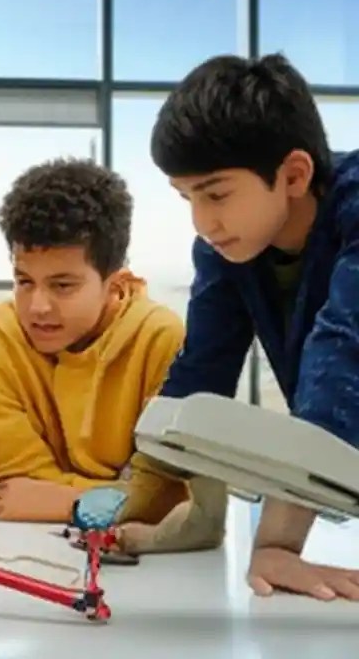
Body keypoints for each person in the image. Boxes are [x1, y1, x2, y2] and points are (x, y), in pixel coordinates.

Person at [150, 53, 359, 600]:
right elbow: (200, 374)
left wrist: (277, 545)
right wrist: (131, 508)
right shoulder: (227, 249)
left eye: (216, 194)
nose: (203, 221)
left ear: (294, 175)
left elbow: (341, 357)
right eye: (187, 198)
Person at [0, 158, 190, 525]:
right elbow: (17, 486)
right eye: (24, 281)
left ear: (114, 284)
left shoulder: (161, 338)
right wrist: (123, 496)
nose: (37, 307)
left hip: (148, 561)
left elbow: (172, 496)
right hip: (22, 553)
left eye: (62, 286)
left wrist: (67, 503)